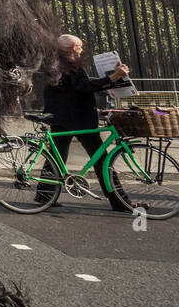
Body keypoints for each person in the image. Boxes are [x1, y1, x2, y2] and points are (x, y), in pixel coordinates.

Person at [43, 33, 136, 212]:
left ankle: (45, 194)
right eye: (80, 47)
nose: (82, 50)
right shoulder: (71, 65)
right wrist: (113, 78)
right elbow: (82, 87)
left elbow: (73, 88)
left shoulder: (55, 63)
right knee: (102, 160)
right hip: (79, 119)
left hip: (60, 118)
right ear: (72, 49)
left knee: (56, 156)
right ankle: (119, 201)